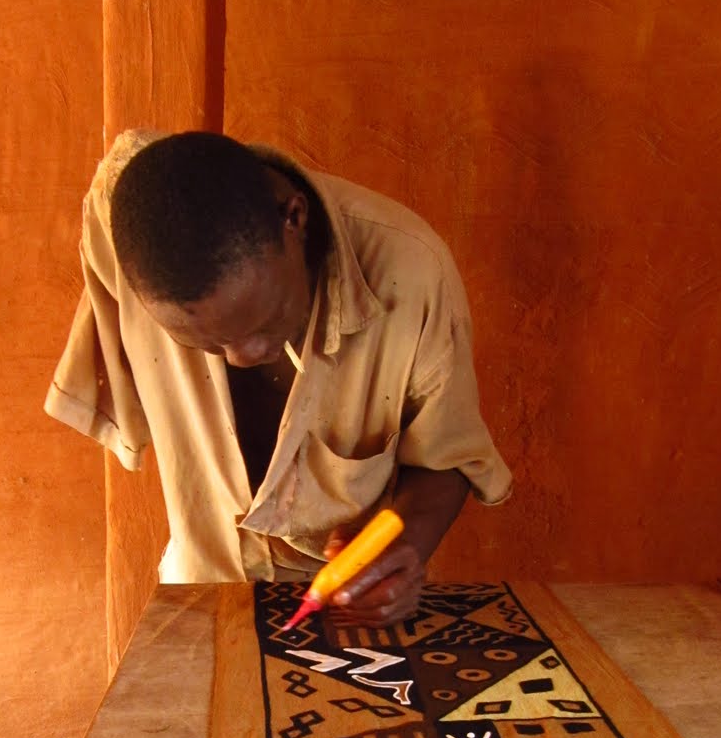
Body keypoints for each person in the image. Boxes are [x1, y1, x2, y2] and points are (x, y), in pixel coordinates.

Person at [46, 130, 512, 625]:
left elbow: (447, 454)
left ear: (294, 219)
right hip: (201, 588)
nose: (242, 357)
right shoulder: (120, 237)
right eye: (203, 345)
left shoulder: (412, 274)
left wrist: (407, 541)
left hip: (348, 601)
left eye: (266, 324)